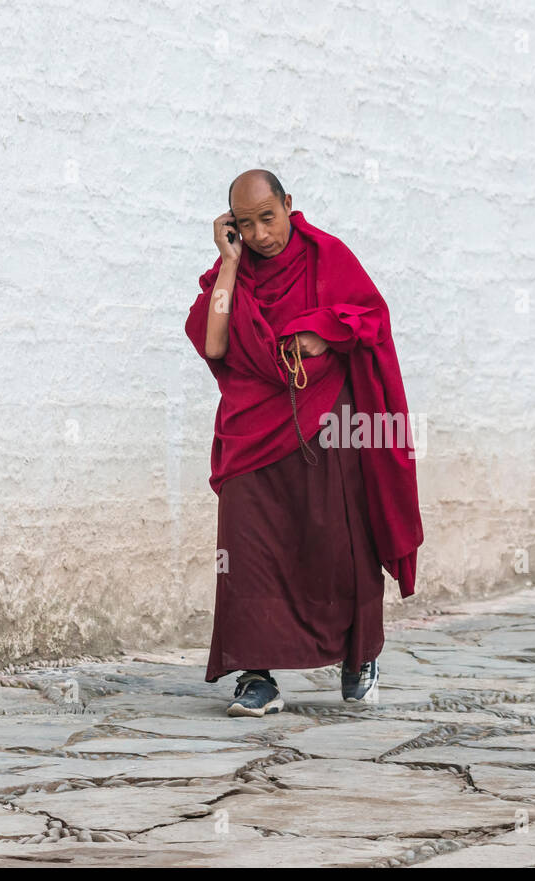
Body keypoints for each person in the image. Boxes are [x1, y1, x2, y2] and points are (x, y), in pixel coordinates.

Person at [184, 169, 422, 716]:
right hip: (251, 426)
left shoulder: (327, 256)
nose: (262, 234)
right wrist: (228, 263)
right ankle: (255, 676)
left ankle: (359, 656)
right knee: (247, 549)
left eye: (268, 217)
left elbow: (371, 319)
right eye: (247, 225)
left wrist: (327, 330)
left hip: (327, 422)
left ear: (289, 204)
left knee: (342, 541)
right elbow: (214, 343)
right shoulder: (235, 273)